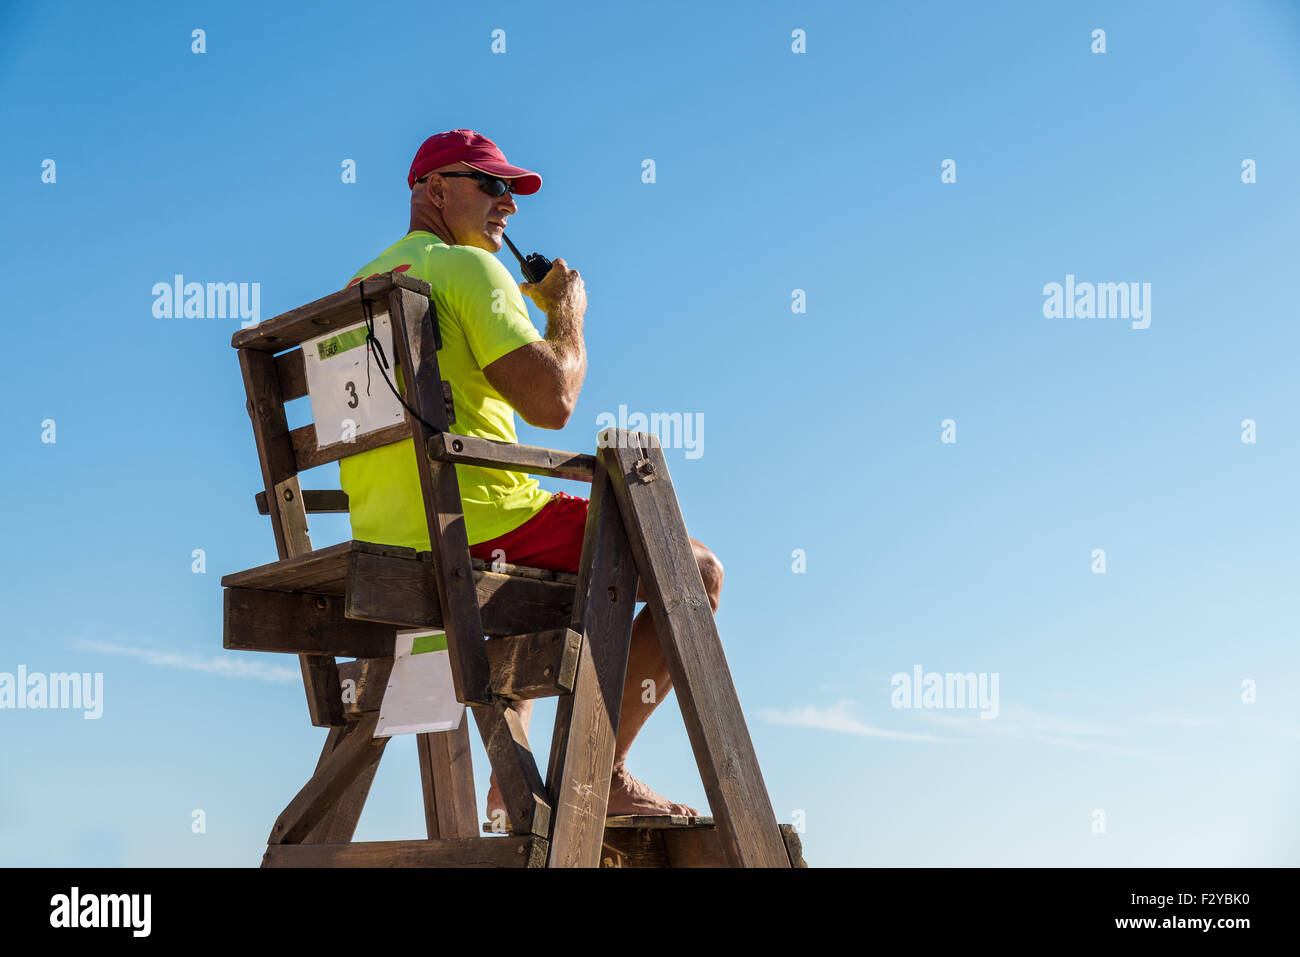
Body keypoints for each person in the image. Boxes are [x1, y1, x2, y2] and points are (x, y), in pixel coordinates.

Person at [340, 129, 723, 818]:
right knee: (692, 569)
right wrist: (567, 316)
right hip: (475, 525)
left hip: (384, 538)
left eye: (512, 191)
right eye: (492, 185)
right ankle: (602, 775)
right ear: (436, 190)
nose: (508, 205)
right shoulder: (467, 269)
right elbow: (554, 402)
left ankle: (512, 788)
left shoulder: (357, 289)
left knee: (541, 599)